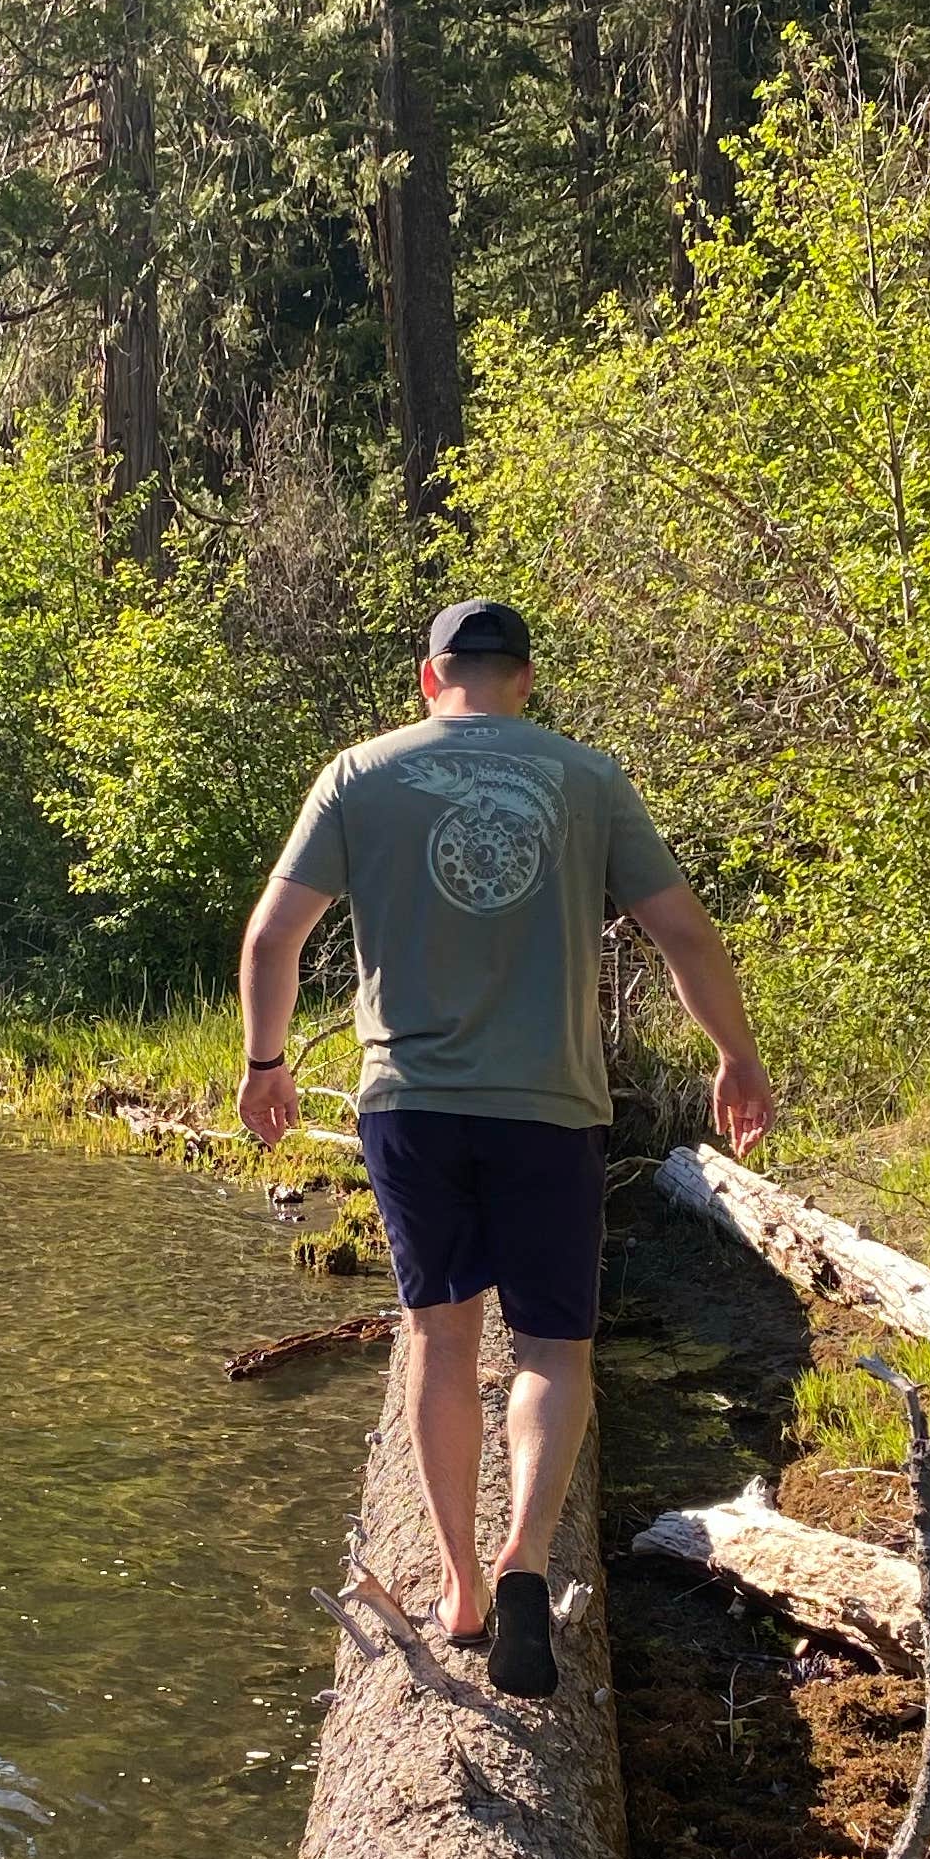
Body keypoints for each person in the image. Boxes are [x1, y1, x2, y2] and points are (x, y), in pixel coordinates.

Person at [237, 597, 773, 1697]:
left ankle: (464, 1588)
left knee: (438, 1341)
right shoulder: (586, 778)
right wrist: (736, 1055)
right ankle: (530, 1551)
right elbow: (683, 930)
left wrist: (267, 1061)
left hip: (412, 1105)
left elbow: (272, 934)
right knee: (552, 1350)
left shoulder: (359, 773)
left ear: (429, 680)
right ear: (525, 680)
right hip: (551, 1106)